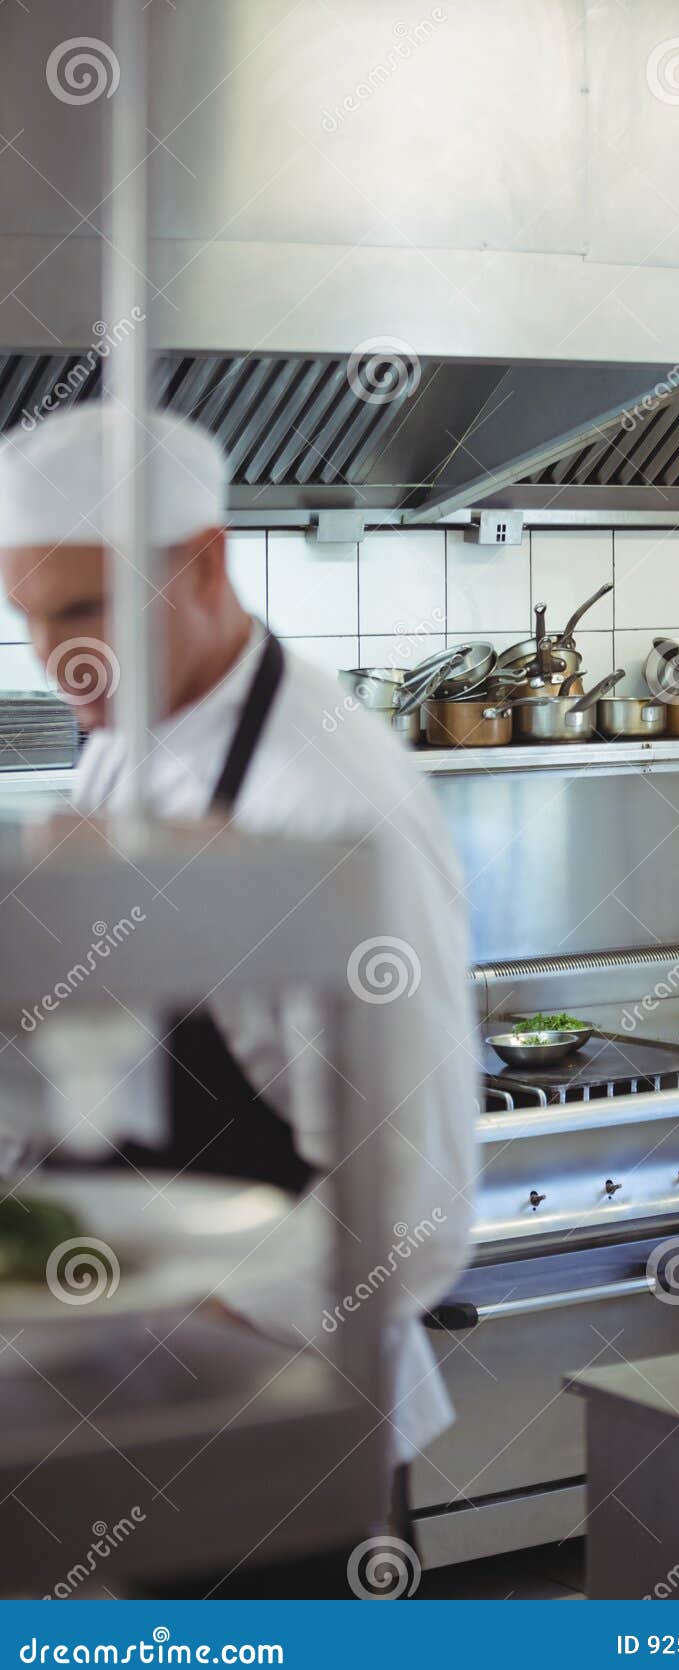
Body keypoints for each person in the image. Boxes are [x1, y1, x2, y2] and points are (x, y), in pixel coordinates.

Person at [0, 402, 478, 1487]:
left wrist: (169, 1304)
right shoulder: (126, 738)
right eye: (28, 616)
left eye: (85, 611)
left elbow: (415, 1215)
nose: (53, 662)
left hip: (283, 1413)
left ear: (204, 563)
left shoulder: (330, 807)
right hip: (132, 1395)